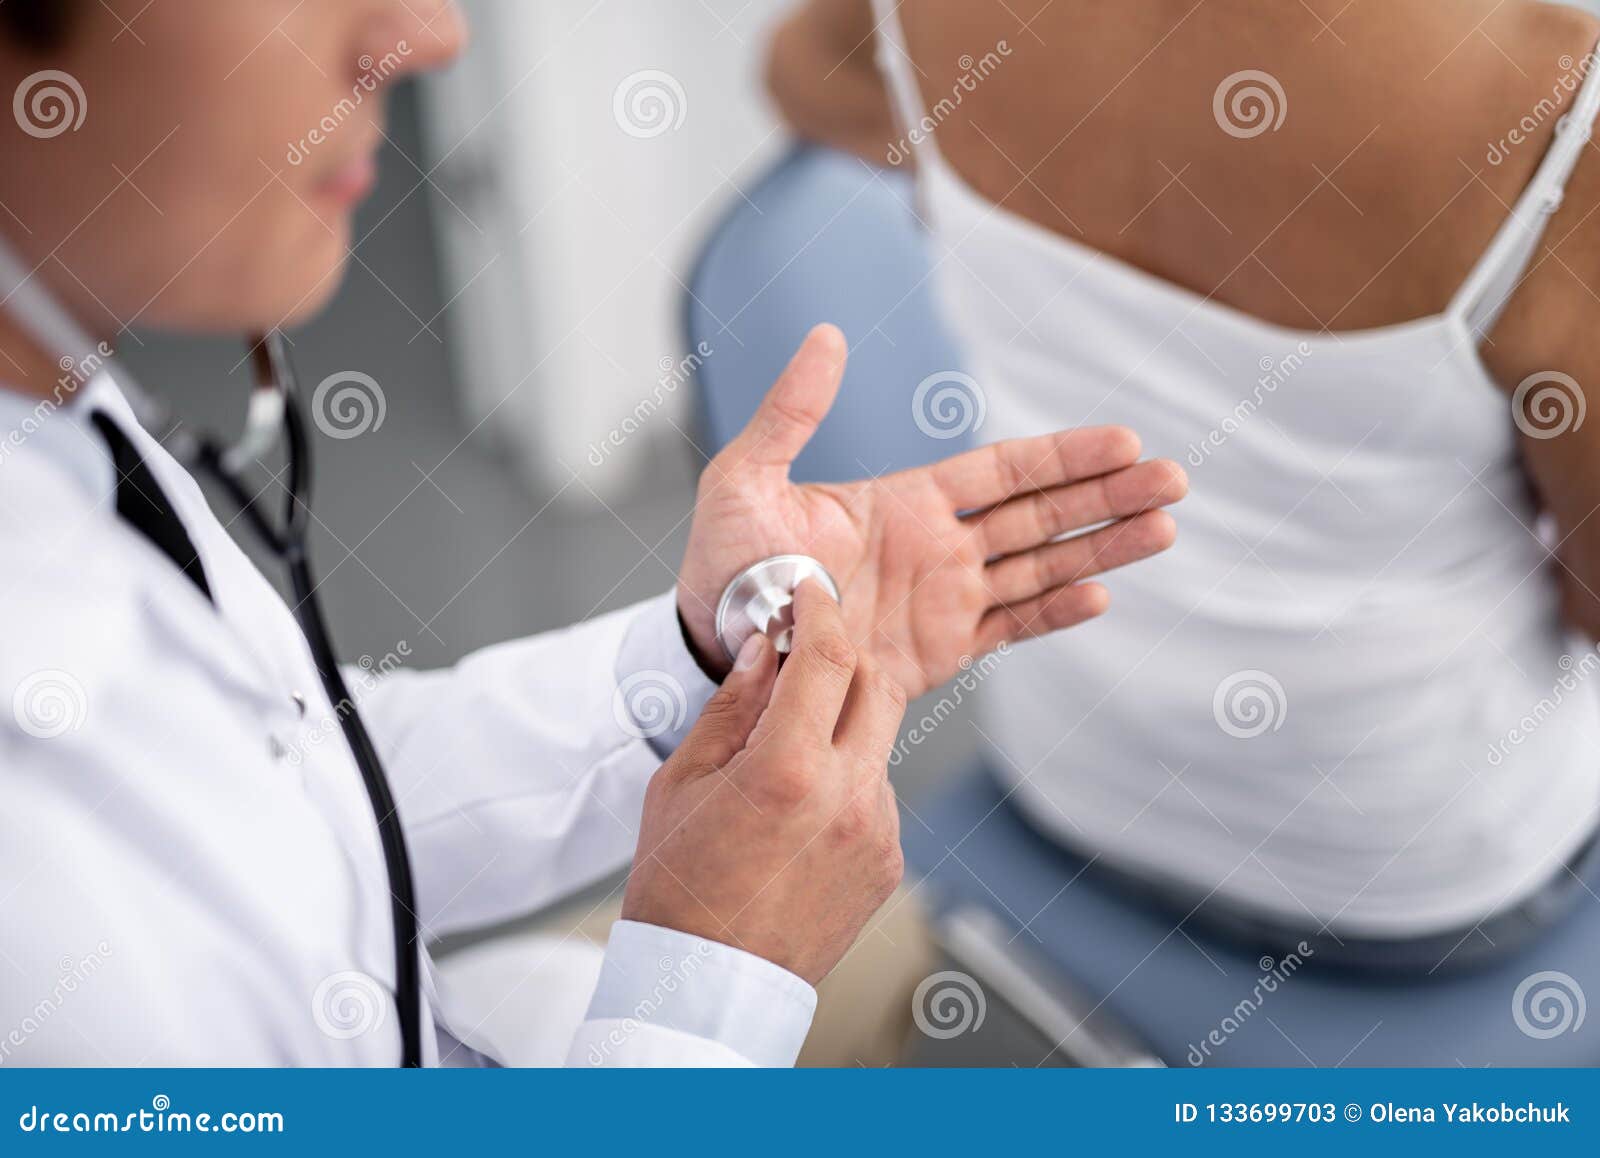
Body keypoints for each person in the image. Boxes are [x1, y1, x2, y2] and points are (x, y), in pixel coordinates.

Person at [0, 0, 1186, 1065]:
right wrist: (713, 978)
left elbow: (290, 795)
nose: (426, 33)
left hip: (484, 1023)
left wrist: (707, 660)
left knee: (902, 964)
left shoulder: (59, 420)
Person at [767, 0, 1600, 971]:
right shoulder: (1543, 86)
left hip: (1066, 767)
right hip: (1417, 881)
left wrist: (1005, 196)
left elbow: (802, 76)